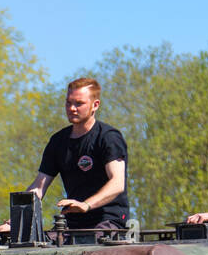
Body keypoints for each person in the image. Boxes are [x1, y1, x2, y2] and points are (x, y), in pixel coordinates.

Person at [25, 78, 130, 232]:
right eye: (68, 103)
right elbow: (38, 187)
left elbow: (117, 183)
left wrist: (86, 205)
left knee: (91, 248)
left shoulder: (108, 137)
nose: (72, 108)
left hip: (107, 221)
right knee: (40, 246)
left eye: (79, 103)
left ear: (95, 105)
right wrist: (16, 220)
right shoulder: (58, 141)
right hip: (71, 223)